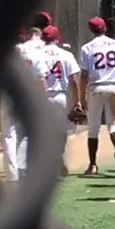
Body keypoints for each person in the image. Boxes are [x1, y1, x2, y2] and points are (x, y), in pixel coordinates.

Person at [3, 11, 53, 185]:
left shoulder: (14, 50)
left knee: (9, 136)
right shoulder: (40, 52)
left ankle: (12, 176)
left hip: (9, 94)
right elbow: (41, 79)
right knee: (28, 132)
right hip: (29, 95)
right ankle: (24, 168)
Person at [78, 16, 115, 176]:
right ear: (105, 28)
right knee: (114, 124)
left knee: (93, 127)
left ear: (91, 30)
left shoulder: (87, 47)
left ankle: (93, 165)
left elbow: (84, 75)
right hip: (114, 85)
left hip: (95, 87)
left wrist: (82, 97)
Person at [37, 25, 80, 176]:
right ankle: (59, 154)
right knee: (61, 130)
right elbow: (74, 80)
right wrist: (77, 101)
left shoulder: (37, 54)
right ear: (57, 39)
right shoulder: (66, 54)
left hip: (41, 96)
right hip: (60, 97)